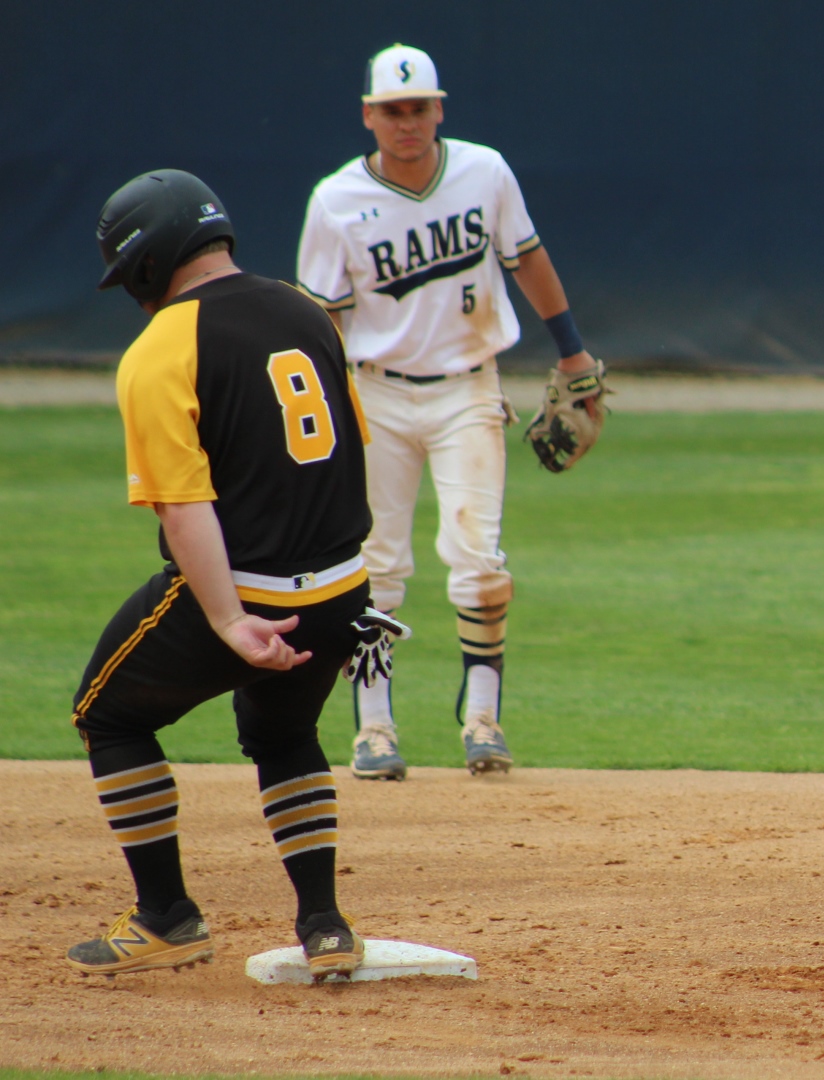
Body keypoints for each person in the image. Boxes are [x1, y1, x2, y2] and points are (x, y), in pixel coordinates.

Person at [67, 169, 381, 980]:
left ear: (146, 261)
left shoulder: (161, 347)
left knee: (108, 715)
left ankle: (167, 915)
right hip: (345, 588)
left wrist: (227, 619)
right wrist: (343, 592)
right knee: (283, 735)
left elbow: (183, 507)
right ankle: (325, 926)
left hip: (257, 595)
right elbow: (352, 455)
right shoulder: (307, 310)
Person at [296, 43, 606, 780]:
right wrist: (323, 413)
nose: (407, 123)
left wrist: (572, 355)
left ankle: (483, 717)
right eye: (393, 111)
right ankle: (374, 728)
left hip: (469, 385)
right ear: (369, 116)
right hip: (373, 393)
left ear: (440, 109)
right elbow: (319, 322)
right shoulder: (336, 201)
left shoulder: (483, 172)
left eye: (419, 108)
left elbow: (528, 258)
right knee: (375, 567)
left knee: (478, 559)